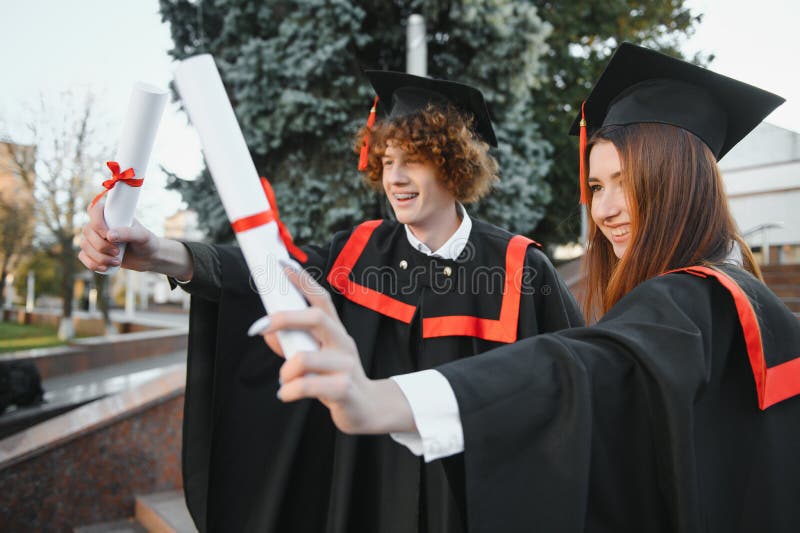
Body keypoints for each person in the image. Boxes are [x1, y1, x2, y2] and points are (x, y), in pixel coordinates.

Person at [264, 43, 800, 532]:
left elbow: (572, 366)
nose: (603, 208)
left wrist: (380, 398)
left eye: (627, 183)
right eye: (595, 186)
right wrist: (190, 261)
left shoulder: (677, 298)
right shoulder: (752, 301)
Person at [78, 71, 582, 532]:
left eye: (415, 160)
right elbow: (265, 276)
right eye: (388, 162)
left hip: (472, 506)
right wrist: (159, 253)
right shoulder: (357, 252)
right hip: (364, 498)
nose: (396, 179)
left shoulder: (520, 268)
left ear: (452, 165)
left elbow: (573, 388)